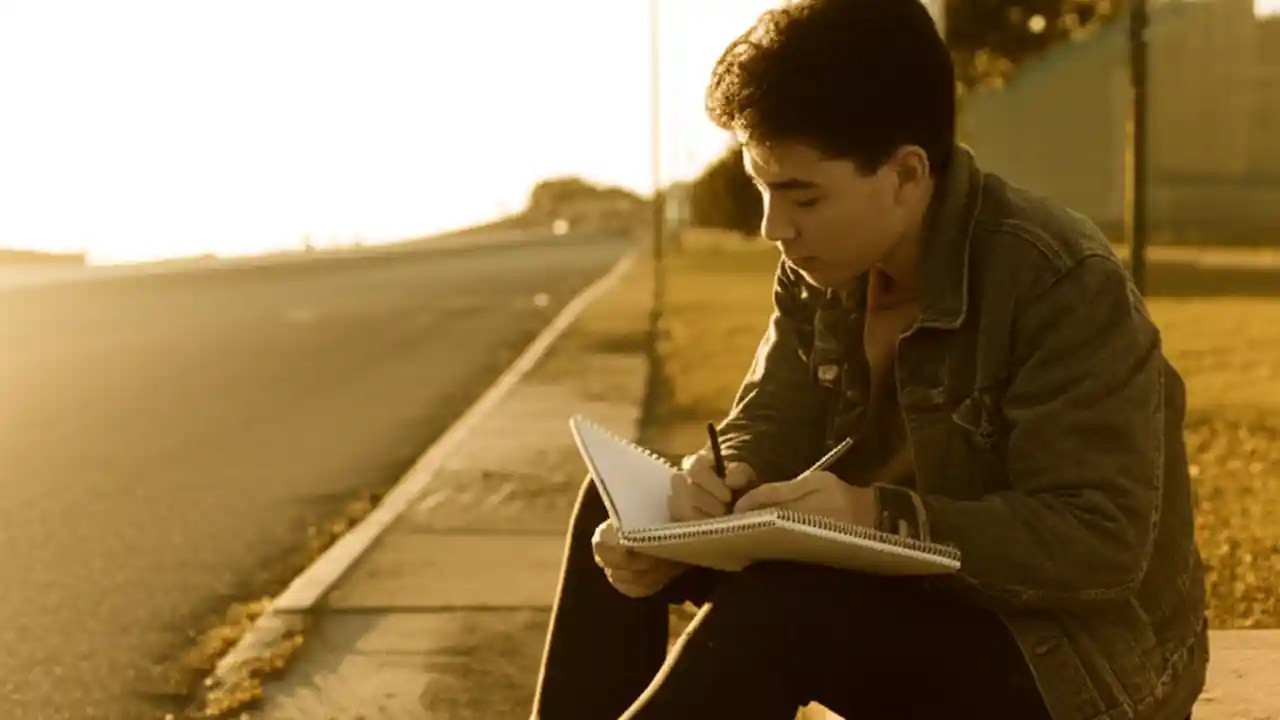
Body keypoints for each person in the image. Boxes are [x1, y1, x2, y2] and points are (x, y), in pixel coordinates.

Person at [531, 0, 1208, 717]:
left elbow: (1098, 543)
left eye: (802, 195)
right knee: (623, 512)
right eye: (762, 188)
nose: (773, 227)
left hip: (1067, 660)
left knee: (782, 612)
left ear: (907, 175)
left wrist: (871, 516)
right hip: (894, 595)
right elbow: (775, 414)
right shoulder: (824, 264)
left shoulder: (1057, 281)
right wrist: (722, 479)